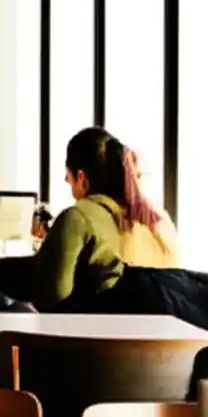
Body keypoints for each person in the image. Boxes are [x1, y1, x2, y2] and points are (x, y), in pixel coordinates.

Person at [34, 127, 180, 310]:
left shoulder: (79, 217)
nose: (66, 179)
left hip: (109, 335)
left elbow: (52, 296)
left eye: (68, 176)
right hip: (169, 335)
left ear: (80, 176)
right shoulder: (158, 217)